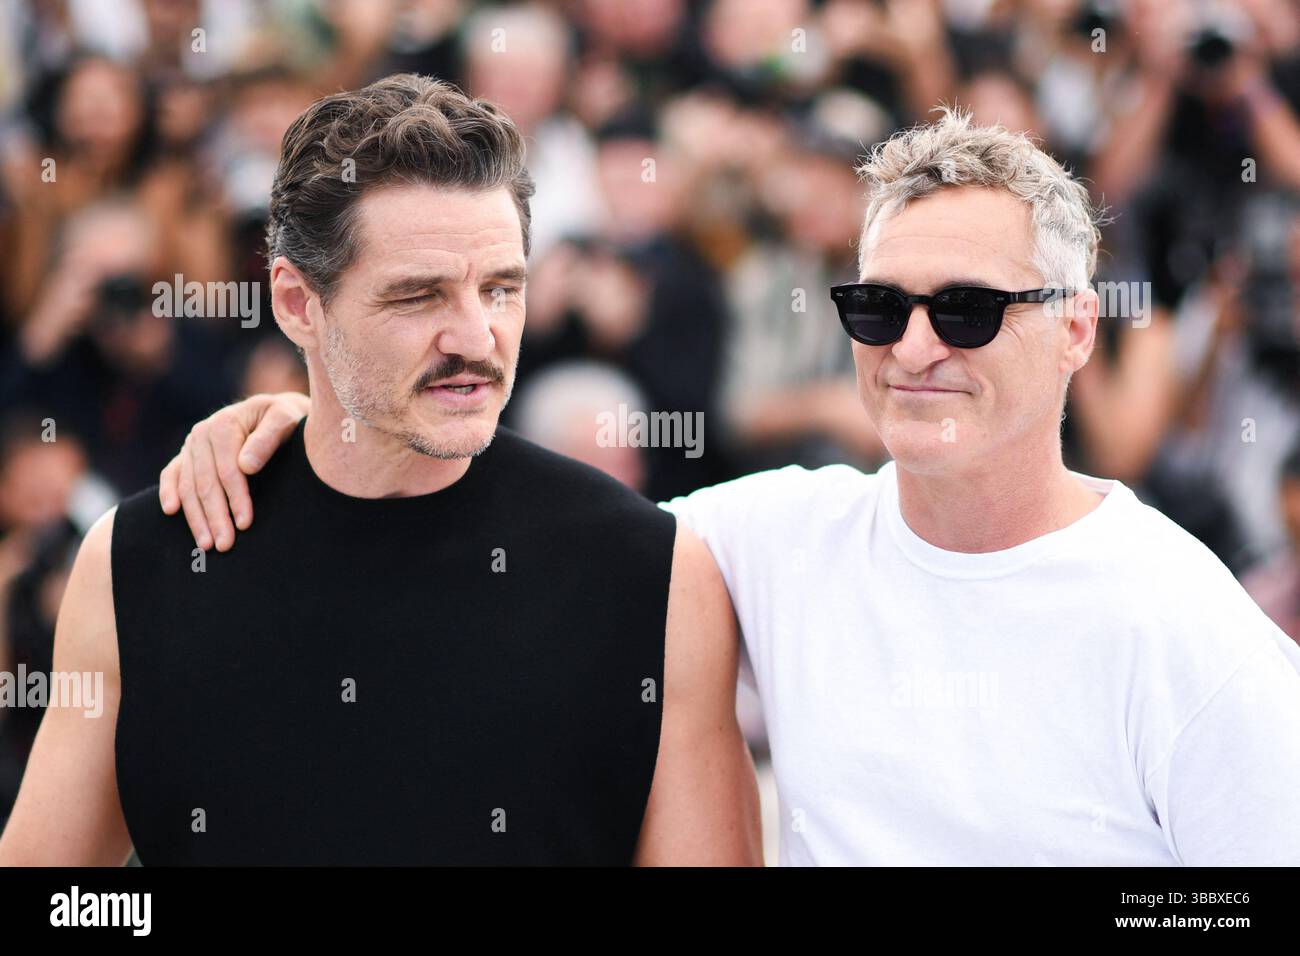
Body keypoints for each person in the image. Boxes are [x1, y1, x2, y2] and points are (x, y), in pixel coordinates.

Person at [160, 107, 1300, 866]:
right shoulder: (773, 537)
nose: (913, 348)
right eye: (877, 307)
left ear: (1076, 330)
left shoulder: (1186, 628)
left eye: (966, 310)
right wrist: (313, 417)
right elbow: (522, 525)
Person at [0, 74, 760, 866]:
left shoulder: (654, 573)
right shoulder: (141, 561)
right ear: (298, 305)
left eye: (501, 289)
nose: (476, 338)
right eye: (419, 297)